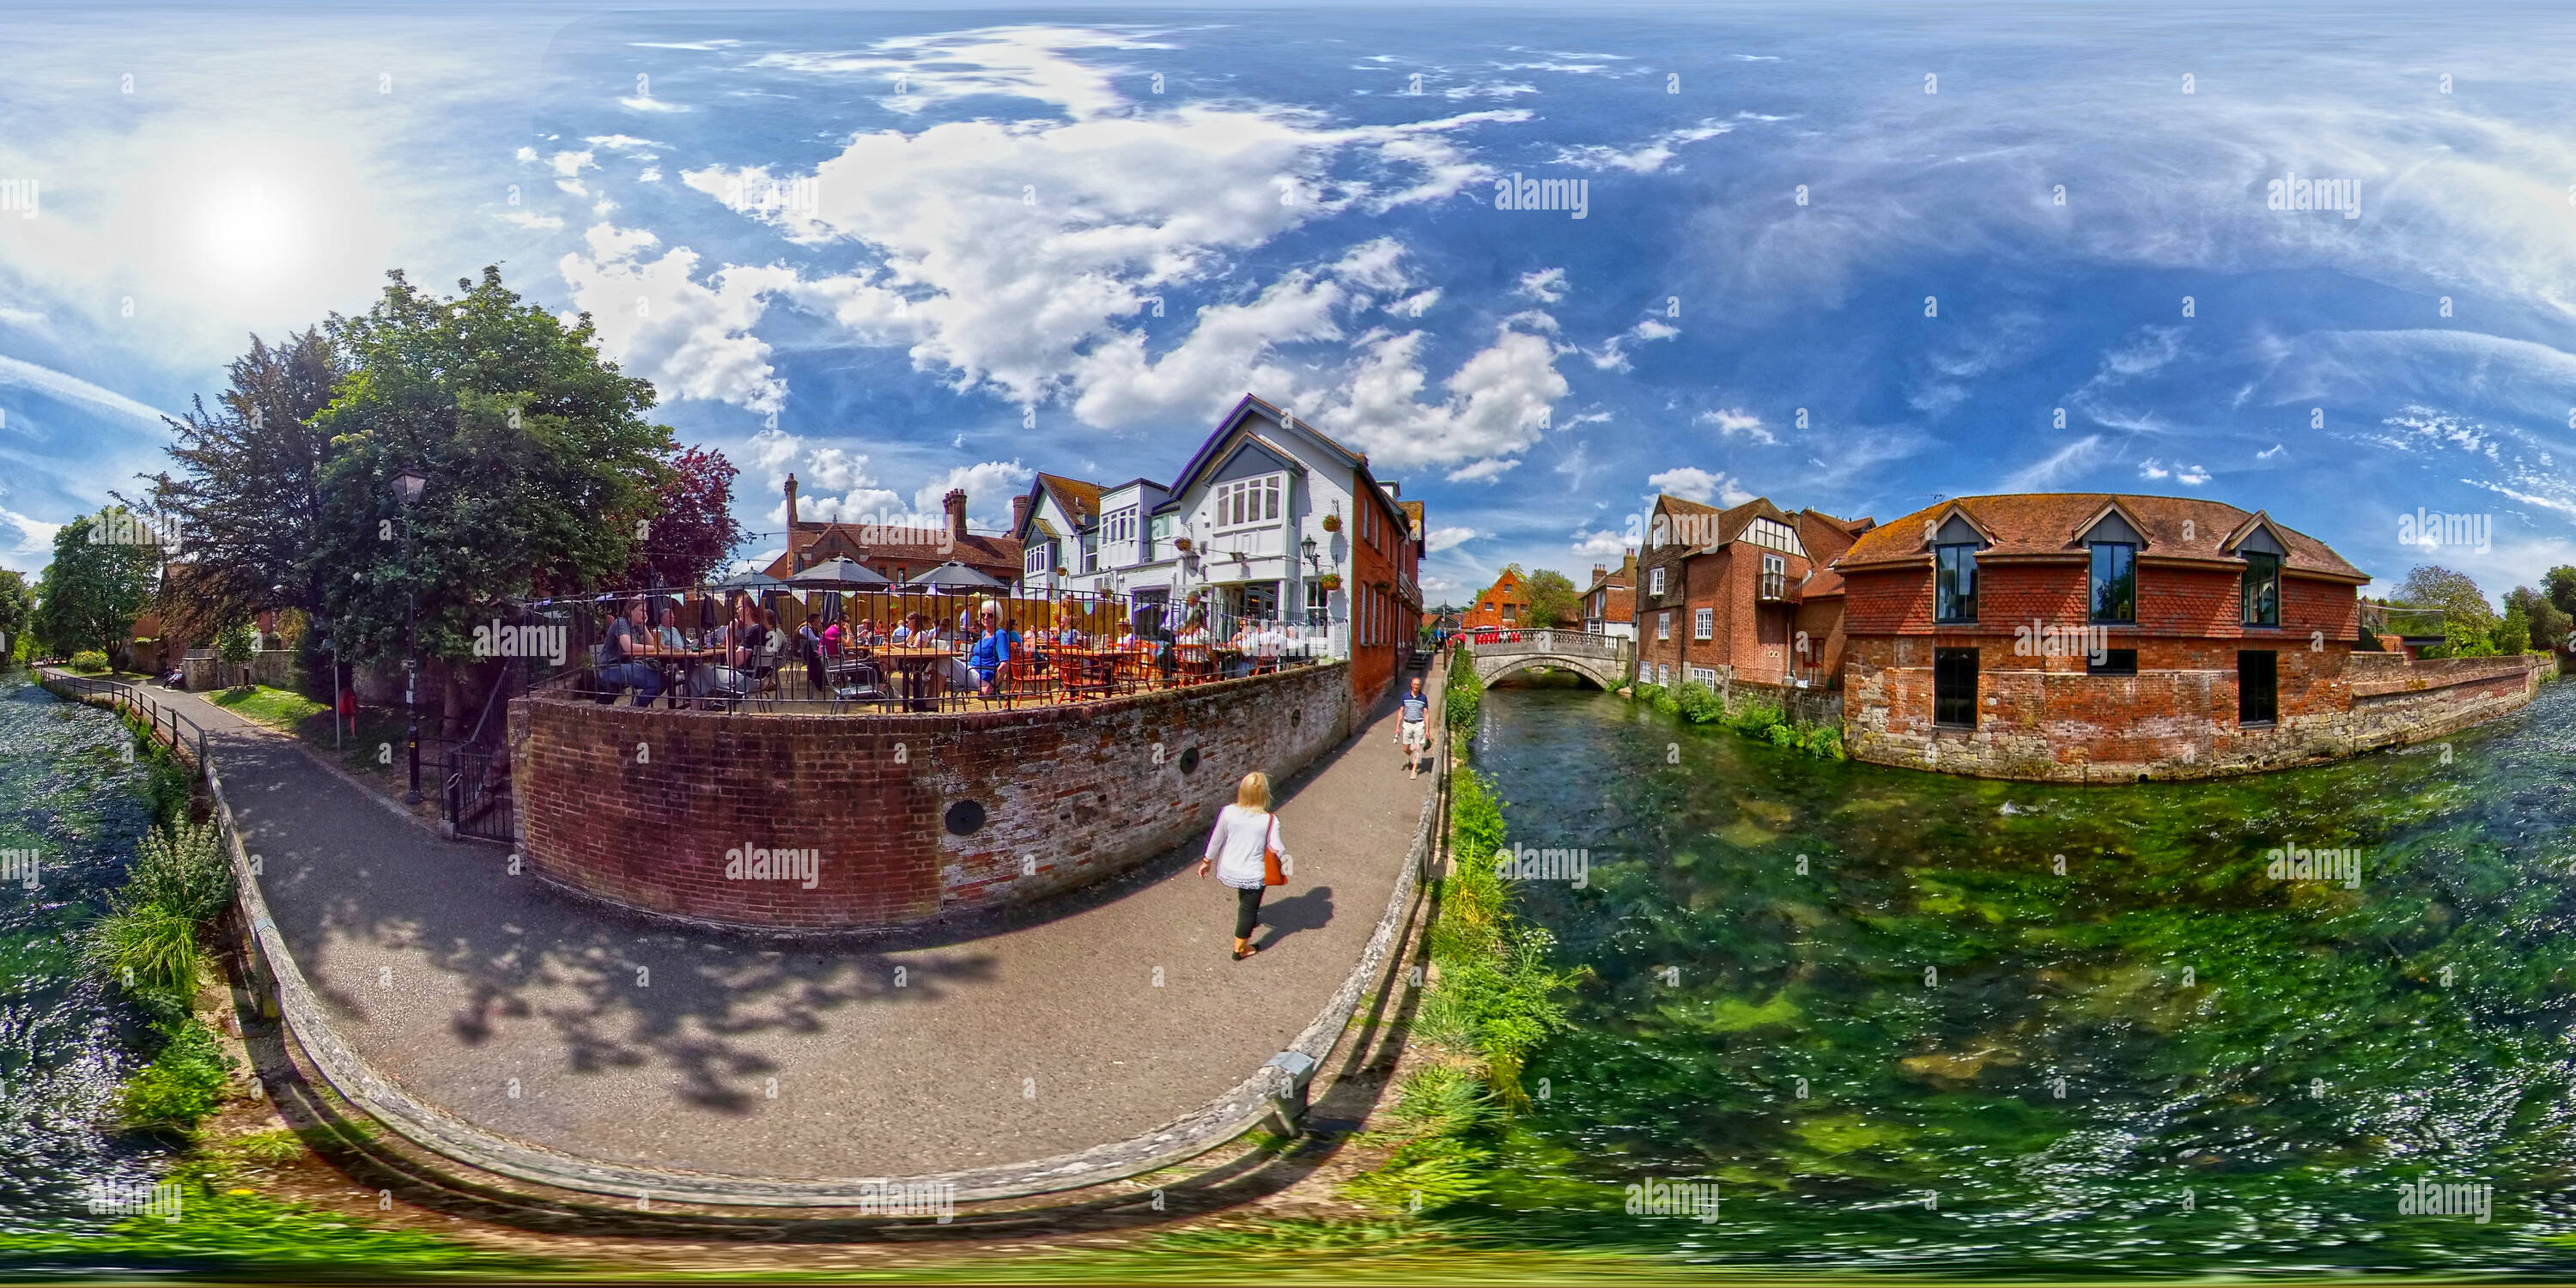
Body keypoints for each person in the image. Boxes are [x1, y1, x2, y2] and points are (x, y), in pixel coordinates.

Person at [1199, 770, 1291, 961]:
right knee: (1248, 910)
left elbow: (1216, 839)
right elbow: (1278, 849)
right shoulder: (1269, 820)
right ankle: (1239, 950)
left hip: (1230, 868)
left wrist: (1207, 861)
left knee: (1245, 897)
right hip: (1253, 872)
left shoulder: (1228, 812)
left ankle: (1247, 925)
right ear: (1265, 794)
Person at [690, 598, 766, 702]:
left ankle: (696, 715)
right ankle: (713, 706)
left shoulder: (752, 631)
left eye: (738, 608)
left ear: (747, 610)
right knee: (709, 675)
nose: (737, 611)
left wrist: (729, 634)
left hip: (745, 681)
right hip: (763, 681)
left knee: (697, 672)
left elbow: (733, 662)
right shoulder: (765, 630)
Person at [597, 597, 665, 706]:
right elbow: (628, 647)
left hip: (626, 666)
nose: (645, 613)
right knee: (658, 681)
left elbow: (651, 644)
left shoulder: (637, 626)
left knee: (661, 678)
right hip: (612, 667)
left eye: (646, 611)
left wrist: (643, 625)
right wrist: (656, 648)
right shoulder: (621, 623)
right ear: (630, 611)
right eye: (641, 610)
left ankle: (637, 708)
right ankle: (637, 709)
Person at [967, 598, 1013, 697]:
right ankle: (931, 703)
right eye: (983, 615)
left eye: (990, 615)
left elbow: (1005, 665)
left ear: (997, 618)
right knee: (941, 664)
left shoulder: (1000, 634)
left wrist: (991, 687)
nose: (986, 618)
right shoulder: (984, 633)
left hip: (981, 676)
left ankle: (931, 703)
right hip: (970, 669)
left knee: (944, 663)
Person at [1397, 675, 1431, 778]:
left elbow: (1426, 714)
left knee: (1417, 748)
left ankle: (1414, 770)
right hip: (1407, 724)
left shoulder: (1423, 698)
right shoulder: (1405, 696)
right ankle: (1410, 756)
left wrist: (1427, 730)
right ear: (1411, 685)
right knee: (1405, 748)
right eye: (1414, 684)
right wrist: (1397, 727)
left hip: (1419, 725)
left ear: (1420, 686)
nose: (1416, 686)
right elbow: (1401, 712)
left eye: (1418, 685)